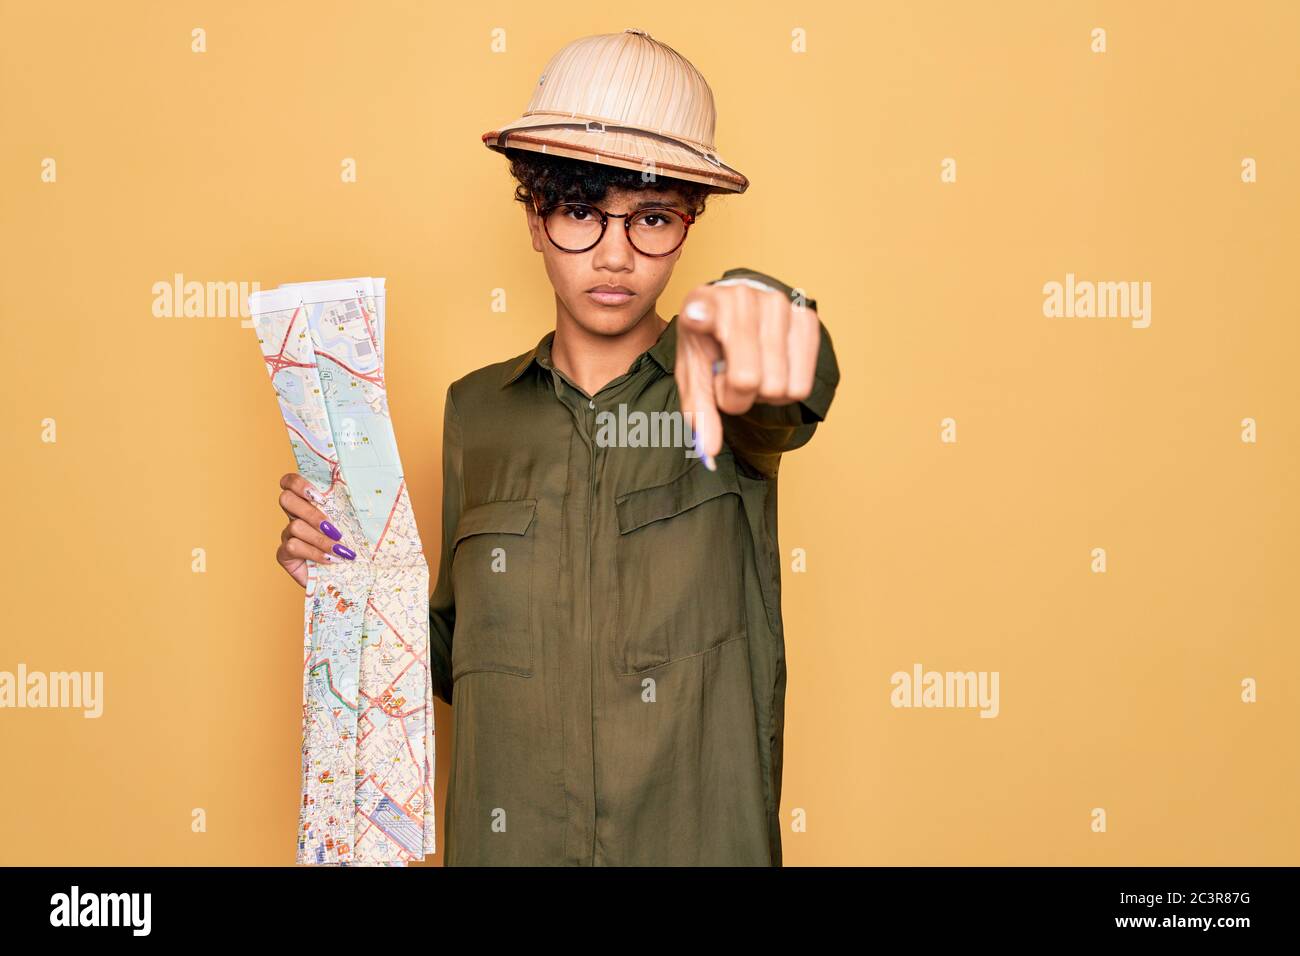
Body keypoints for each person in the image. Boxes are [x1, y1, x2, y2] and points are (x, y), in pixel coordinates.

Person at [273, 28, 839, 865]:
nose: (615, 254)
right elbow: (462, 662)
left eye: (650, 218)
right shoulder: (476, 412)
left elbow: (792, 382)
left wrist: (767, 311)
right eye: (580, 210)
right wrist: (349, 580)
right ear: (534, 218)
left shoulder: (721, 385)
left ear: (689, 225)